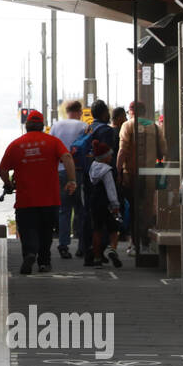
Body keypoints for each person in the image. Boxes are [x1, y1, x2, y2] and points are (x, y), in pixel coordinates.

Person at [0, 110, 77, 276]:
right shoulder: (53, 142)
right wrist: (72, 180)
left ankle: (29, 253)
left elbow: (3, 169)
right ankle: (44, 262)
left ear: (27, 125)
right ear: (42, 126)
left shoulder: (16, 144)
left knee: (28, 230)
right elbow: (68, 158)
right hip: (49, 199)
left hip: (25, 200)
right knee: (46, 232)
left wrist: (8, 184)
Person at [71, 100, 117, 268]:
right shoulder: (106, 130)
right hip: (103, 178)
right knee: (103, 218)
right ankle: (96, 250)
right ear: (105, 113)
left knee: (88, 213)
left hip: (87, 174)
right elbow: (108, 156)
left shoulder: (89, 128)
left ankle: (85, 248)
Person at [118, 100, 167, 252]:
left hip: (131, 175)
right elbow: (163, 151)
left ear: (131, 111)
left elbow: (122, 151)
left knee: (133, 208)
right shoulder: (155, 127)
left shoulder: (127, 125)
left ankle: (134, 242)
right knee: (147, 208)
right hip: (150, 176)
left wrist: (118, 171)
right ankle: (145, 242)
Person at [48, 100, 86, 259]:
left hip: (60, 171)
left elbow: (50, 147)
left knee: (64, 210)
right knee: (81, 210)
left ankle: (63, 245)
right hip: (78, 172)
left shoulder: (56, 126)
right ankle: (82, 246)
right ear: (80, 111)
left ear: (67, 111)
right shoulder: (83, 126)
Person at [87, 140, 123, 267]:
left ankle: (97, 257)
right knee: (114, 228)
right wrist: (115, 205)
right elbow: (110, 188)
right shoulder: (107, 170)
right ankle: (112, 249)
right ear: (104, 157)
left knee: (97, 230)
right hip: (107, 203)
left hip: (95, 201)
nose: (111, 157)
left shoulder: (93, 167)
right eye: (109, 155)